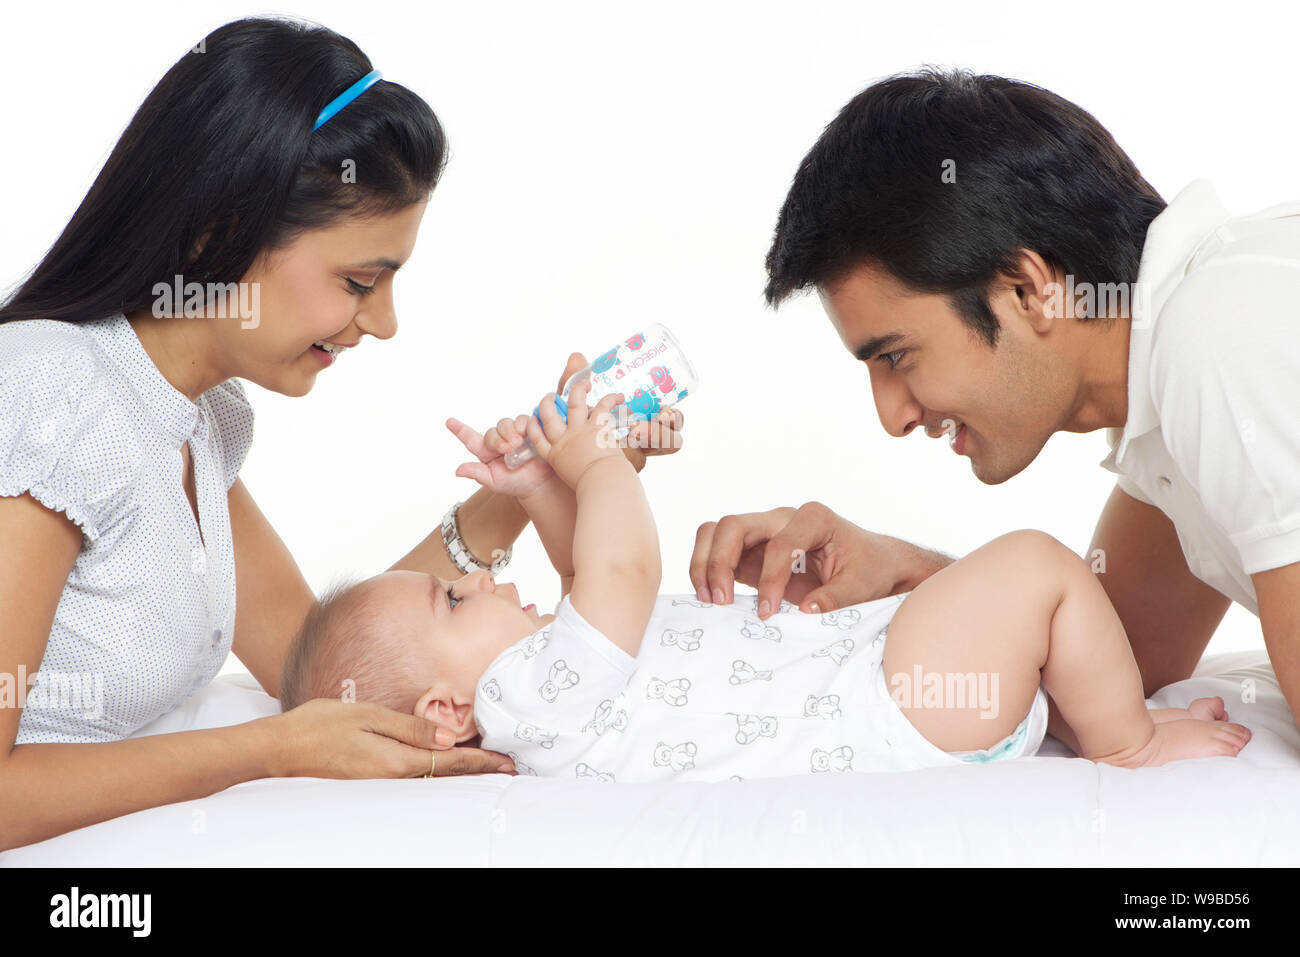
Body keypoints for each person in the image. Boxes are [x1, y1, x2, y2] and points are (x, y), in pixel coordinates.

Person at [0, 17, 684, 851]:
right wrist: (266, 751)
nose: (385, 322)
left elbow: (322, 663)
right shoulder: (53, 396)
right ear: (218, 232)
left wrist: (526, 485)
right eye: (360, 280)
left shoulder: (197, 418)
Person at [688, 68, 1300, 751]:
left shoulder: (1221, 339)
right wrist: (899, 568)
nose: (892, 417)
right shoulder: (1180, 379)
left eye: (894, 356)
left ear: (1028, 290)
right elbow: (1111, 660)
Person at [277, 379, 1251, 782]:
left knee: (1028, 590)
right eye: (454, 597)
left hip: (882, 676)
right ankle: (1127, 743)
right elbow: (617, 566)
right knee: (1037, 567)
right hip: (884, 706)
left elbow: (583, 567)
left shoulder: (554, 687)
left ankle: (1089, 715)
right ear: (449, 713)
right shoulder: (522, 700)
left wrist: (535, 486)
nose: (485, 580)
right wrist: (590, 458)